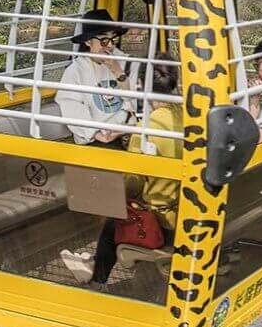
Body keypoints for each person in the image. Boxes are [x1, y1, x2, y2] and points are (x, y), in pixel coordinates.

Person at [61, 56, 183, 285]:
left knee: (116, 209)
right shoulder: (188, 116)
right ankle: (95, 265)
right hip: (185, 210)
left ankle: (97, 272)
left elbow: (132, 185)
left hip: (162, 221)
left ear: (141, 85)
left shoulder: (147, 130)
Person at [47, 9, 136, 146]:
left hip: (126, 134)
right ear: (88, 42)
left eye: (113, 39)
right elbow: (71, 106)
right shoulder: (76, 70)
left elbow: (135, 101)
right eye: (104, 40)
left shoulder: (125, 62)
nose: (110, 46)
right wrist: (96, 134)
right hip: (95, 141)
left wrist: (119, 73)